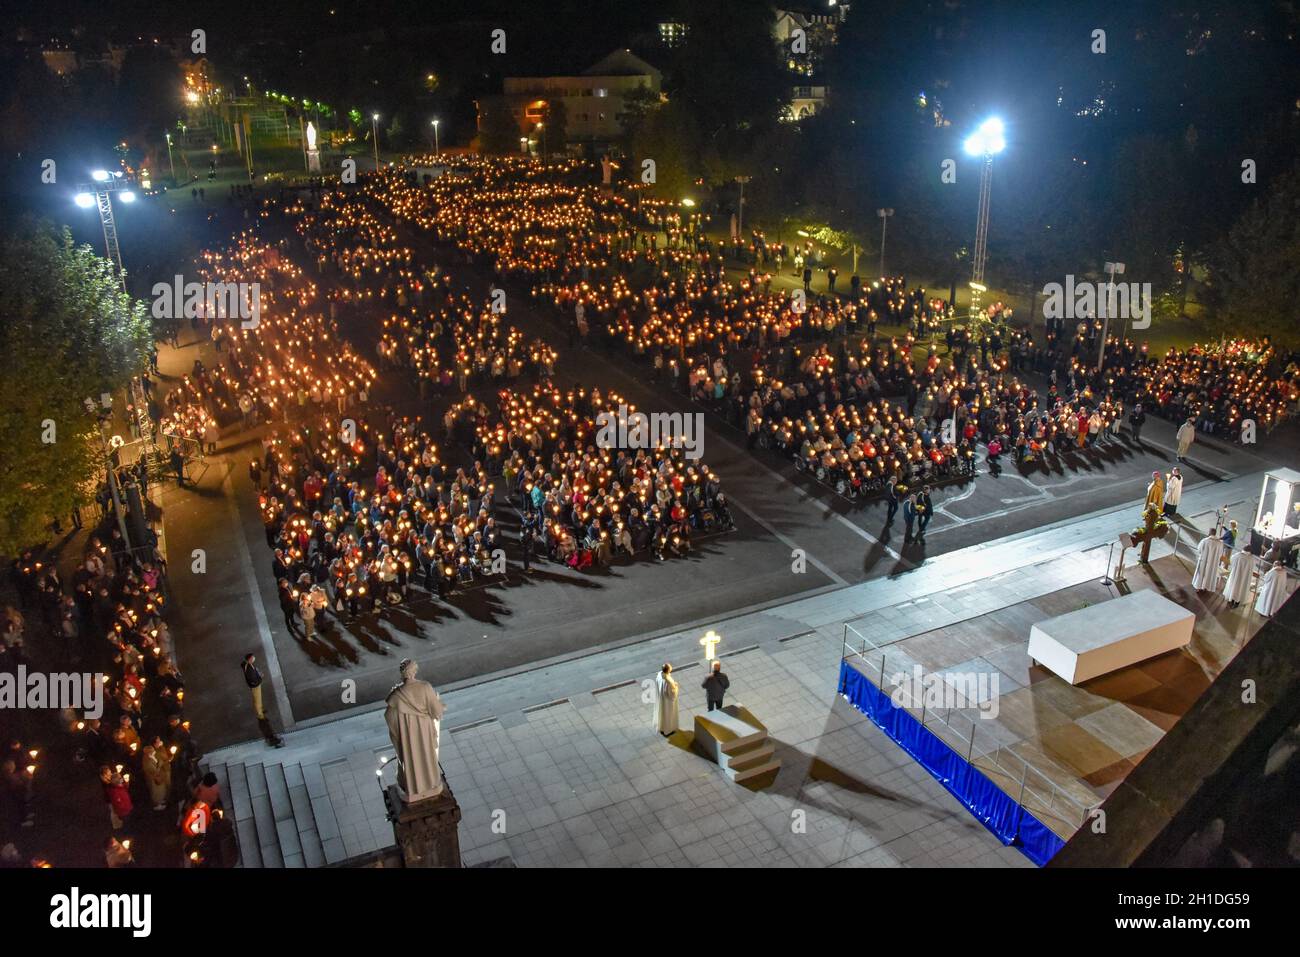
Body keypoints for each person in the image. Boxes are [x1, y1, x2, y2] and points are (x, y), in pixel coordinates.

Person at [654, 663, 679, 736]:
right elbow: (672, 694)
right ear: (668, 670)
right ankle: (668, 730)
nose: (671, 668)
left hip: (661, 698)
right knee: (668, 715)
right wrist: (676, 687)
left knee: (662, 714)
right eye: (670, 667)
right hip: (667, 702)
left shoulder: (659, 675)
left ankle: (661, 728)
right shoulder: (668, 681)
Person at [241, 653, 267, 720]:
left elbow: (243, 664)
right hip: (255, 687)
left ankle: (261, 709)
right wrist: (260, 678)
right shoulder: (250, 671)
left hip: (254, 685)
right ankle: (260, 715)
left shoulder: (246, 665)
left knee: (258, 698)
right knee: (257, 700)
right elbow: (254, 681)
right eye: (252, 657)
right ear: (249, 659)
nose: (254, 658)